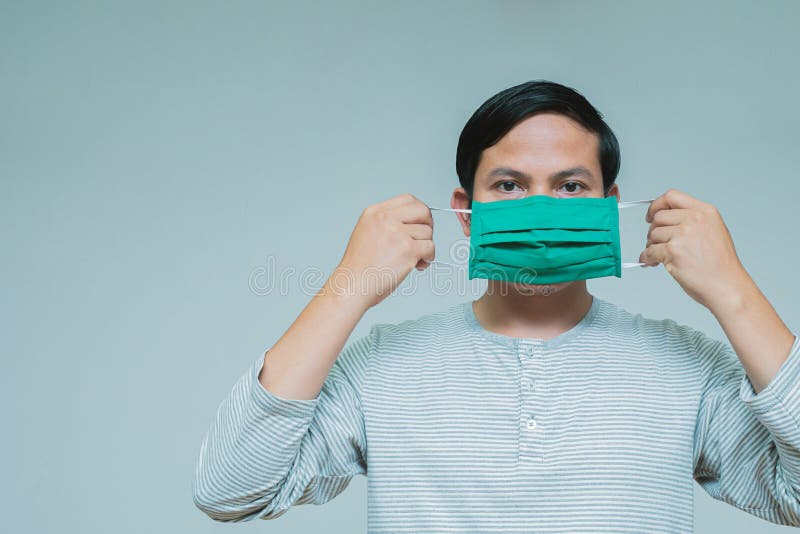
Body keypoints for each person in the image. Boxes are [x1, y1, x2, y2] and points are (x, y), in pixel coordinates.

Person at [192, 80, 800, 531]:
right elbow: (229, 489)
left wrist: (733, 290)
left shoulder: (689, 368)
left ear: (608, 206)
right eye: (509, 185)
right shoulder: (380, 368)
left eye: (570, 186)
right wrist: (348, 285)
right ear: (465, 212)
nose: (540, 209)